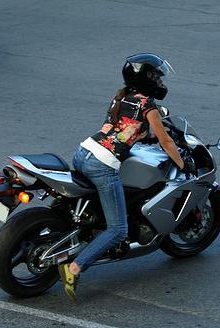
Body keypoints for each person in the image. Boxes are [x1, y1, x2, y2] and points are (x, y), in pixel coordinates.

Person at [58, 53, 194, 301]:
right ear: (147, 79)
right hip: (102, 164)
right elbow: (165, 140)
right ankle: (75, 267)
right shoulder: (148, 106)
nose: (161, 82)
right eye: (157, 77)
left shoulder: (120, 97)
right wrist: (182, 163)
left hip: (83, 152)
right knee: (118, 229)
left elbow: (121, 129)